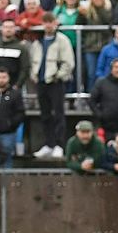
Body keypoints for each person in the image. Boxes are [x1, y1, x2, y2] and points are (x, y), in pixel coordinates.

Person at [29, 13, 73, 161]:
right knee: (45, 114)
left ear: (55, 23)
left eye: (51, 22)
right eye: (45, 22)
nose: (48, 25)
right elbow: (33, 61)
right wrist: (34, 75)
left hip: (55, 82)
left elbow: (68, 62)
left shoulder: (62, 40)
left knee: (58, 114)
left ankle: (59, 145)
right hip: (41, 82)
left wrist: (58, 75)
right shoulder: (37, 42)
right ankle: (48, 143)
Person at [0, 68, 24, 168]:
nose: (1, 80)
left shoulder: (15, 94)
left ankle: (6, 178)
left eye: (4, 77)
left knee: (6, 159)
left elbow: (20, 113)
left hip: (7, 134)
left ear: (8, 78)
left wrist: (10, 124)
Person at [81, 0, 113, 91]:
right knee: (91, 74)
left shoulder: (108, 10)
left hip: (105, 46)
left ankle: (104, 94)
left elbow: (107, 23)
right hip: (90, 47)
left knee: (105, 73)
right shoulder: (85, 11)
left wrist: (100, 8)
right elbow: (80, 25)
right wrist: (81, 14)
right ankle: (90, 95)